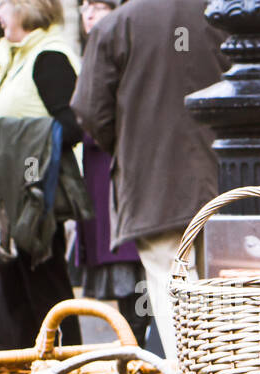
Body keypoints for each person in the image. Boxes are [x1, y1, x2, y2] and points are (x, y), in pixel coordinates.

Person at [71, 0, 226, 360]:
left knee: (174, 297)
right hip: (229, 181)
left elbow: (91, 110)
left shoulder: (117, 26)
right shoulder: (224, 12)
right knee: (231, 292)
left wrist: (131, 148)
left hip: (156, 186)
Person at [0, 0, 82, 350]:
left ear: (26, 8)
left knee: (47, 305)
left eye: (4, 5)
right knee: (10, 309)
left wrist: (13, 141)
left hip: (33, 207)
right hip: (2, 211)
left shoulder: (48, 57)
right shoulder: (12, 58)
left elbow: (72, 126)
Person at [69, 0, 149, 343]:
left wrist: (116, 141)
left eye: (98, 5)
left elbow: (94, 114)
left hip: (126, 173)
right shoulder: (91, 50)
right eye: (84, 5)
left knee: (141, 275)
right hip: (105, 178)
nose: (89, 12)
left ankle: (141, 356)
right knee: (127, 283)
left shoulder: (123, 40)